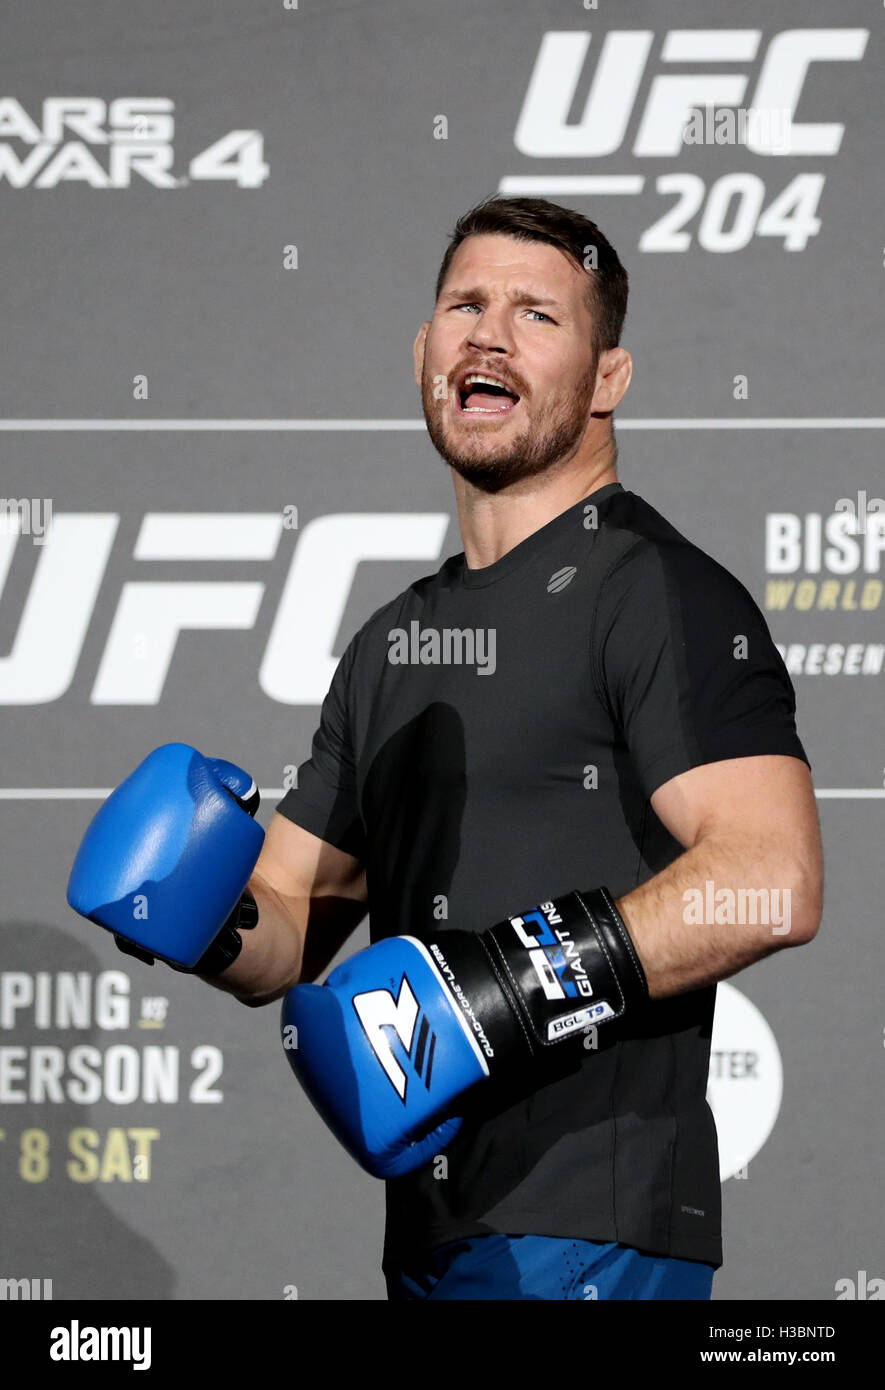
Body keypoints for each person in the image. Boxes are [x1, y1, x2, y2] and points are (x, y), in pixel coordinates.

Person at [68, 195, 823, 1301]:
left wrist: (499, 992)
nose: (489, 335)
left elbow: (770, 879)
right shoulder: (392, 646)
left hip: (588, 1229)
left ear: (610, 376)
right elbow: (287, 922)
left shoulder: (658, 592)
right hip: (432, 1231)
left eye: (536, 314)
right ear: (423, 353)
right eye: (464, 305)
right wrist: (203, 917)